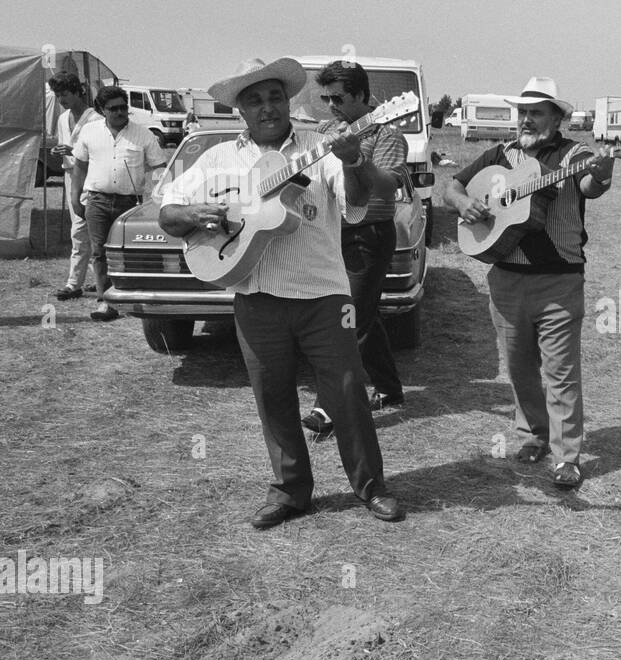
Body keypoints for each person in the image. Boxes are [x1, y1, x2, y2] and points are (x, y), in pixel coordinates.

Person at [158, 57, 404, 528]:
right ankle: (291, 491)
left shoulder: (321, 146)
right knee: (272, 397)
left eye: (275, 97)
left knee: (349, 393)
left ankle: (371, 487)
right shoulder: (217, 160)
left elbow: (354, 204)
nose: (268, 107)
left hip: (325, 297)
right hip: (256, 296)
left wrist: (353, 159)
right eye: (255, 100)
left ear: (288, 102)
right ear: (240, 111)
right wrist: (196, 215)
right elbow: (169, 210)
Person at [443, 76, 615, 489]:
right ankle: (533, 435)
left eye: (536, 113)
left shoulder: (575, 154)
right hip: (505, 280)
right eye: (523, 112)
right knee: (519, 368)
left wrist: (604, 170)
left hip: (558, 282)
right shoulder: (499, 154)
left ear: (556, 119)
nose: (526, 120)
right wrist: (464, 203)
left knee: (560, 374)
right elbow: (452, 185)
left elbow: (591, 186)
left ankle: (567, 457)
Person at [300, 61, 409, 437]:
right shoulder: (326, 130)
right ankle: (390, 389)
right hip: (331, 234)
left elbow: (388, 184)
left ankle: (328, 406)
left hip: (369, 235)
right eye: (326, 98)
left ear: (363, 95)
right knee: (362, 317)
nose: (331, 106)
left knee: (347, 318)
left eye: (339, 98)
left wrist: (356, 159)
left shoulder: (388, 132)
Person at [70, 85, 169, 321]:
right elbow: (80, 166)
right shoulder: (89, 132)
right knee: (99, 252)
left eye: (123, 107)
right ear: (102, 110)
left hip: (130, 204)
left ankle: (134, 298)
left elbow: (159, 168)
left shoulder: (143, 134)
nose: (119, 112)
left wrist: (160, 197)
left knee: (132, 253)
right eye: (113, 108)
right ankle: (106, 302)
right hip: (97, 201)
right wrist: (75, 198)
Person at [48, 73, 102, 301]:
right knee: (82, 229)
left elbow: (100, 153)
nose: (61, 100)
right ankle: (87, 280)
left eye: (64, 94)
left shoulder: (96, 120)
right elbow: (66, 145)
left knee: (84, 230)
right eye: (58, 95)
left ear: (77, 92)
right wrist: (58, 151)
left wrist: (73, 152)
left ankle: (77, 283)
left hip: (91, 178)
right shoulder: (62, 118)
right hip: (72, 176)